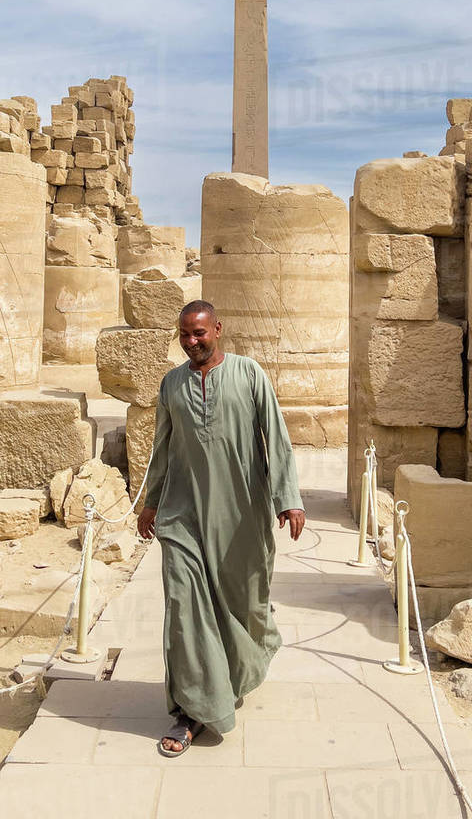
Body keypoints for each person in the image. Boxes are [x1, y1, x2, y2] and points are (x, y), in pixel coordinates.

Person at [136, 300, 305, 756]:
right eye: (185, 335)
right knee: (185, 607)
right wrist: (151, 502)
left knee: (243, 604)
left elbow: (277, 436)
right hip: (182, 514)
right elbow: (162, 449)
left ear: (218, 329)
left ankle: (232, 672)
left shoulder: (250, 374)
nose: (192, 342)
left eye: (200, 333)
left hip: (241, 515)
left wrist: (287, 498)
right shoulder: (171, 384)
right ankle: (194, 710)